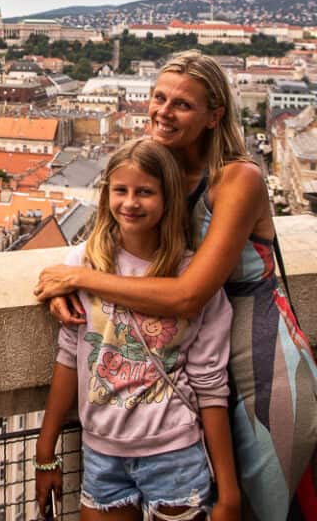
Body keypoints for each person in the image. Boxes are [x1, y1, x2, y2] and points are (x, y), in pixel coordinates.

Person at [35, 51, 317, 521]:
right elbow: (110, 241)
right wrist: (70, 282)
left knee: (264, 508)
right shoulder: (156, 168)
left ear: (214, 116)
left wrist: (81, 278)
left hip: (259, 359)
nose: (163, 112)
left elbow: (189, 295)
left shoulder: (237, 178)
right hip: (192, 355)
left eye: (182, 105)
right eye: (159, 97)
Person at [35, 137, 238, 521]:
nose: (130, 203)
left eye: (145, 192)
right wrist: (45, 453)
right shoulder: (82, 261)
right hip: (102, 455)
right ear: (106, 193)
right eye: (120, 191)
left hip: (174, 453)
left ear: (168, 198)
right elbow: (69, 358)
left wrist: (228, 492)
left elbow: (211, 385)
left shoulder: (193, 277)